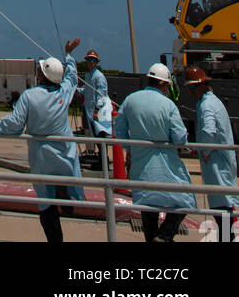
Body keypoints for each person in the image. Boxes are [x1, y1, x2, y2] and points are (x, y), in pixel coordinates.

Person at [0, 39, 84, 244]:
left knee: (45, 203)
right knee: (66, 182)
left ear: (42, 75)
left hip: (41, 157)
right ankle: (67, 196)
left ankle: (55, 238)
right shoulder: (64, 92)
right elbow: (71, 77)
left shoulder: (30, 96)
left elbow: (14, 124)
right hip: (64, 154)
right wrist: (69, 55)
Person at [114, 62, 196, 243]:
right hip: (166, 164)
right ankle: (165, 235)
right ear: (164, 84)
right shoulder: (168, 105)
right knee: (185, 200)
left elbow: (119, 130)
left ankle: (153, 239)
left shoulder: (130, 100)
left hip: (140, 164)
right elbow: (180, 138)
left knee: (147, 206)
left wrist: (130, 148)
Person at [185, 65, 238, 242]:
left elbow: (208, 131)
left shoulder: (207, 105)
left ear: (203, 85)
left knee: (222, 210)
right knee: (224, 209)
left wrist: (205, 150)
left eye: (193, 87)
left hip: (217, 164)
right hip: (222, 162)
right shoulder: (212, 101)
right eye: (189, 88)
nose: (191, 92)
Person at [81, 48, 113, 164]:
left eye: (93, 60)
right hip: (89, 111)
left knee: (100, 136)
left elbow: (102, 95)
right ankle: (101, 159)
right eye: (89, 59)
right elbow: (87, 90)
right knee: (95, 136)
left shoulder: (99, 77)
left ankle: (104, 160)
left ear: (96, 62)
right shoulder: (88, 76)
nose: (90, 62)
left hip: (97, 113)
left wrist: (96, 110)